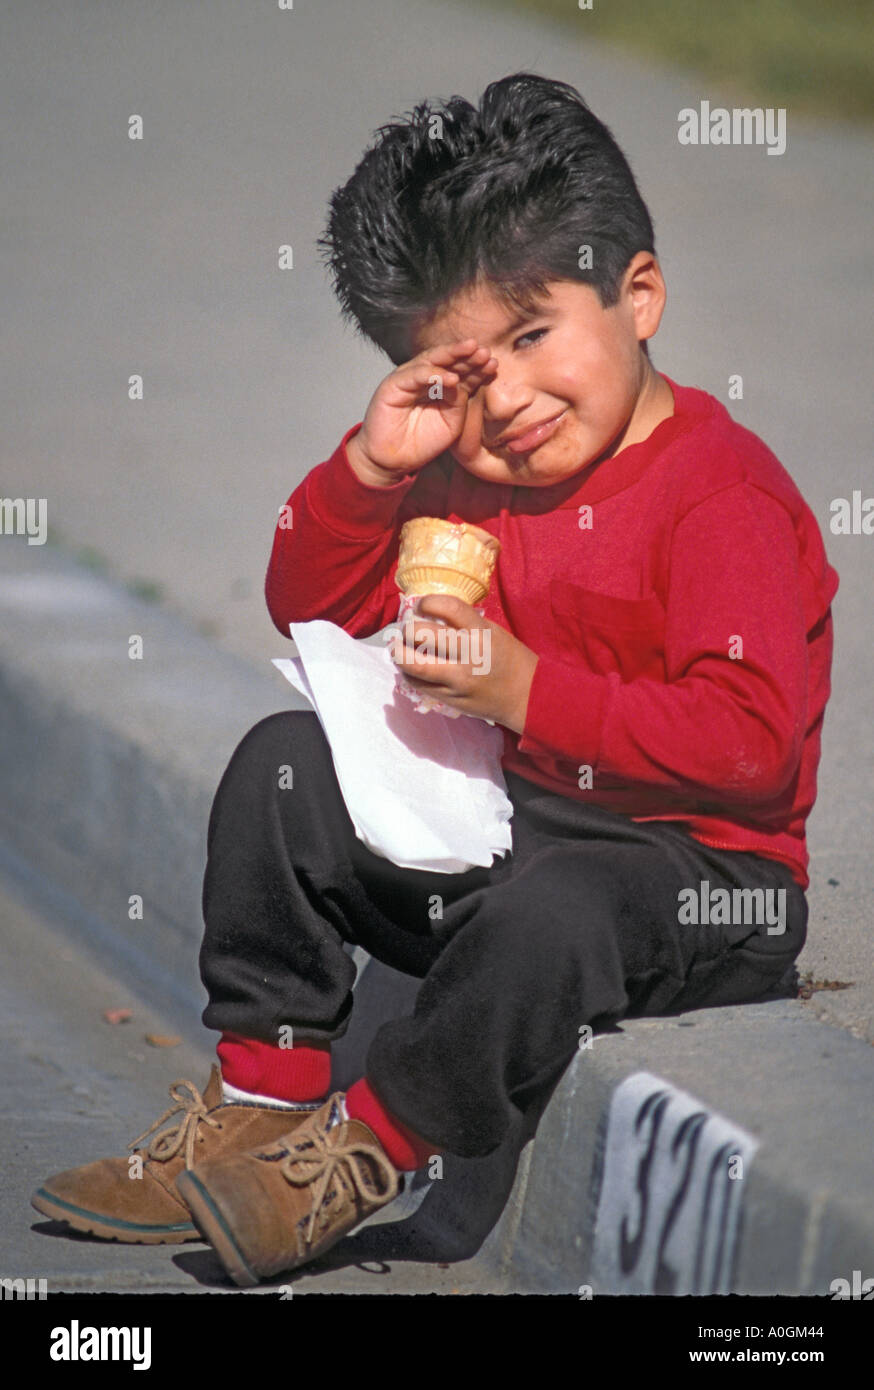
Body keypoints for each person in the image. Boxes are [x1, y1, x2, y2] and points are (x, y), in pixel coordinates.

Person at [32, 72, 838, 1289]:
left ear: (639, 294)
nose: (505, 402)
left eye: (531, 337)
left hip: (700, 879)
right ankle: (261, 1097)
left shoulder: (717, 496)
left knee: (552, 914)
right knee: (281, 761)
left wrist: (522, 691)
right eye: (461, 376)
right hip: (515, 831)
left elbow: (748, 747)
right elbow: (315, 604)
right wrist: (368, 467)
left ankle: (367, 1146)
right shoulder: (470, 481)